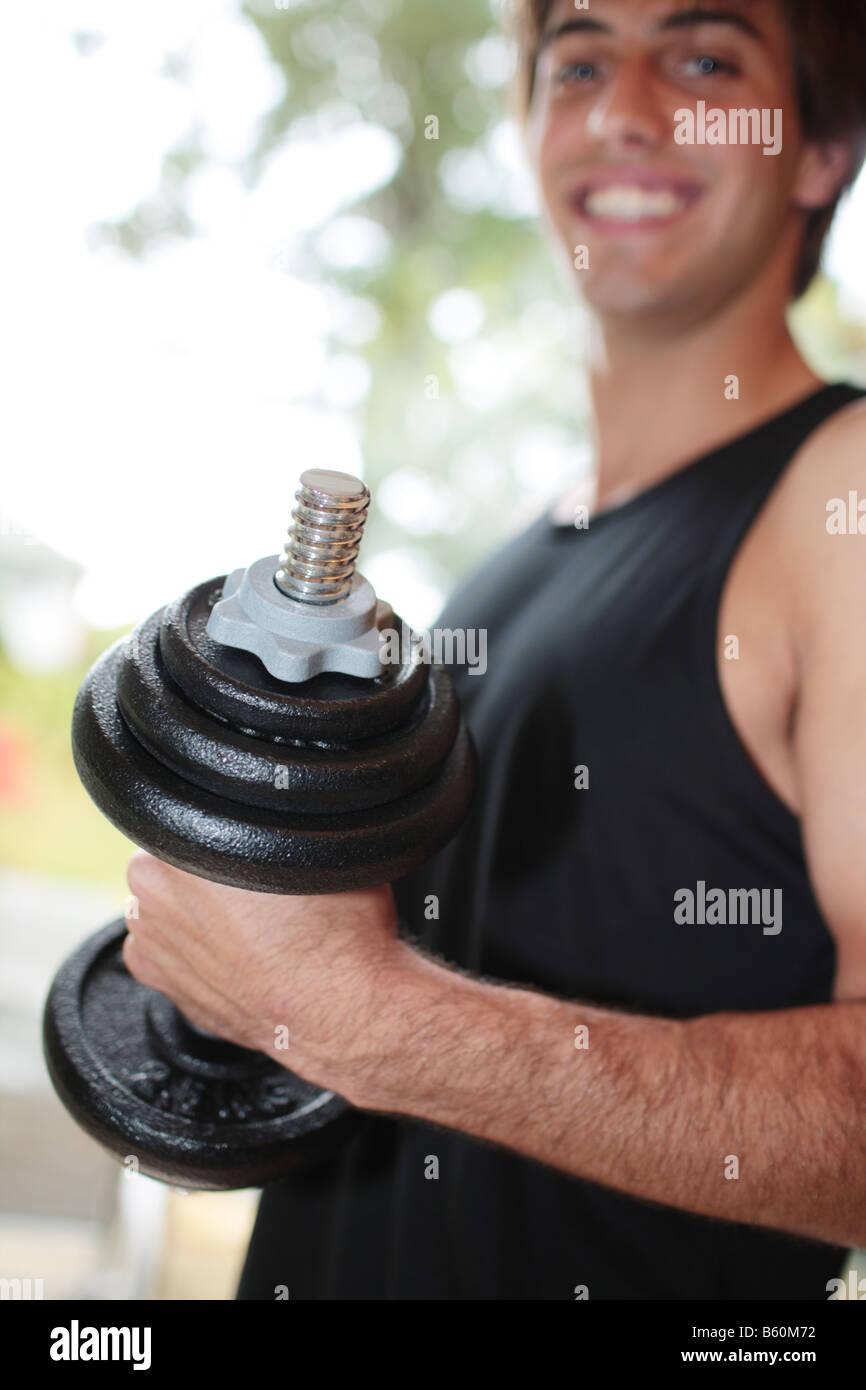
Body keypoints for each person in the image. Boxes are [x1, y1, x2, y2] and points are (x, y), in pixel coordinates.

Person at [124, 0, 866, 1299]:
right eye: (575, 62)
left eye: (702, 59)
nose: (622, 107)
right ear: (531, 131)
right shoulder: (517, 562)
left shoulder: (838, 499)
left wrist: (368, 1016)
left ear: (819, 148)